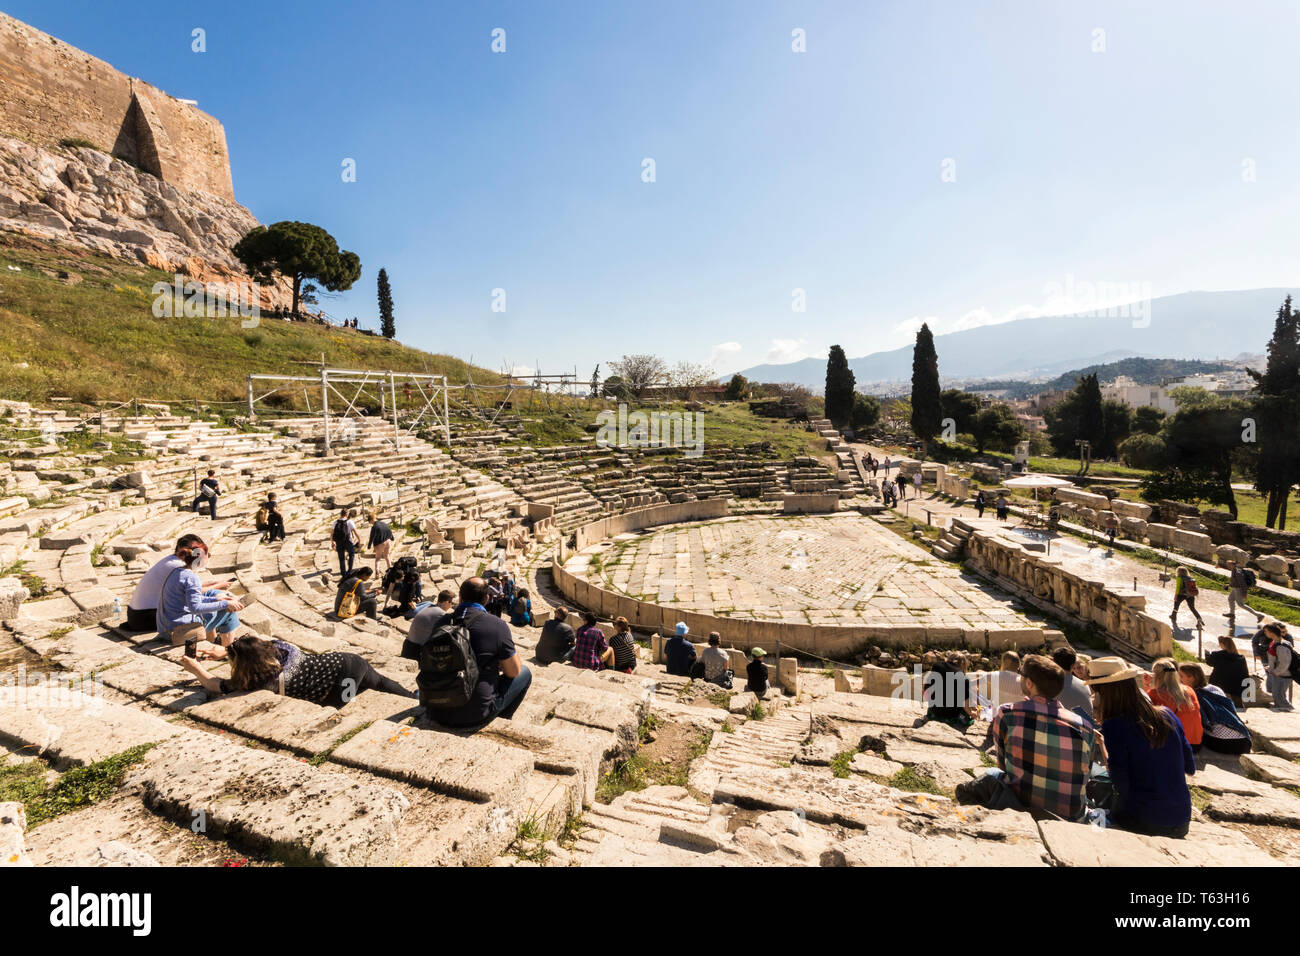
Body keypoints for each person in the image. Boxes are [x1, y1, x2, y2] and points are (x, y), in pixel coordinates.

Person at [957, 654, 1095, 820]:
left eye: (1021, 674)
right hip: (1070, 813)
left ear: (1029, 683)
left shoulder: (1008, 713)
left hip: (1019, 802)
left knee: (984, 778)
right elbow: (1085, 772)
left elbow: (1003, 766)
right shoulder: (1085, 727)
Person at [402, 577, 531, 728]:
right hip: (474, 714)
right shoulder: (497, 625)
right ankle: (501, 719)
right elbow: (513, 672)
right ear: (486, 598)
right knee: (525, 672)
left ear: (461, 597)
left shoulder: (442, 622)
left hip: (435, 709)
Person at [1088, 656, 1195, 838]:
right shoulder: (1167, 714)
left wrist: (1103, 745)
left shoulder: (1114, 726)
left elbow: (1121, 783)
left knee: (1093, 778)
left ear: (1101, 693)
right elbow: (1190, 767)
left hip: (1145, 819)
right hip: (1181, 819)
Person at [181, 635, 413, 707]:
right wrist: (225, 652)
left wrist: (196, 669)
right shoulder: (281, 647)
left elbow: (216, 685)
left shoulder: (264, 681)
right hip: (350, 661)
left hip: (343, 682)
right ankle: (413, 699)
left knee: (331, 709)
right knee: (380, 682)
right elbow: (256, 647)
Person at [124, 534, 235, 634]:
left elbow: (190, 589)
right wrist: (218, 587)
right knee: (222, 604)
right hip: (147, 617)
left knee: (214, 594)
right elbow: (193, 596)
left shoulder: (172, 561)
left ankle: (213, 637)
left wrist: (214, 584)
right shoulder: (178, 566)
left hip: (138, 615)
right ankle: (225, 645)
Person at [156, 538, 244, 658]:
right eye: (208, 555)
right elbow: (195, 607)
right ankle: (227, 654)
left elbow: (192, 600)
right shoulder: (192, 578)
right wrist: (225, 605)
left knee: (222, 602)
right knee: (229, 613)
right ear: (200, 558)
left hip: (165, 627)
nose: (209, 557)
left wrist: (218, 600)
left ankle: (216, 643)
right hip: (177, 631)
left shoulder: (176, 571)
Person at [1179, 662, 1251, 756]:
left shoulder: (1193, 695)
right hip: (1243, 740)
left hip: (1224, 743)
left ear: (1192, 677)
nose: (1178, 679)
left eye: (1181, 676)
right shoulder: (1214, 688)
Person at [1145, 657, 1203, 751]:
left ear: (1157, 676)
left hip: (1177, 745)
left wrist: (1147, 686)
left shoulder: (1155, 694)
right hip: (1195, 743)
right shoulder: (1189, 690)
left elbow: (1147, 714)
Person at [923, 652, 975, 729]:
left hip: (934, 710)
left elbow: (926, 688)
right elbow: (965, 706)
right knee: (966, 715)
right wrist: (972, 713)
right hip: (951, 714)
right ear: (964, 665)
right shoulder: (964, 678)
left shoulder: (937, 666)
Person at [1051, 646, 1094, 720]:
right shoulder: (1084, 685)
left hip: (1068, 728)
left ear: (1054, 663)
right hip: (1087, 727)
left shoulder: (1051, 686)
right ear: (1073, 665)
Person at [1206, 636, 1250, 708]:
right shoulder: (1240, 658)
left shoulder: (1217, 655)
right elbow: (1244, 672)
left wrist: (1207, 655)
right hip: (1236, 684)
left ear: (1222, 644)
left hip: (1219, 682)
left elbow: (1210, 662)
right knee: (1238, 703)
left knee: (1217, 702)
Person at [1266, 622, 1295, 711]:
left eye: (1266, 631)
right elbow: (1274, 660)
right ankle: (1279, 708)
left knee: (1280, 698)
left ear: (1272, 633)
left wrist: (1275, 672)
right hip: (1277, 674)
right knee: (1277, 695)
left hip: (1283, 675)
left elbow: (1284, 663)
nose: (1265, 633)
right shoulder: (1274, 643)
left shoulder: (1281, 646)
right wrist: (1270, 668)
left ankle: (1288, 712)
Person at [1226, 561, 1264, 626]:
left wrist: (1245, 593)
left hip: (1239, 589)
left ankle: (1259, 615)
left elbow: (1243, 584)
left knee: (1241, 604)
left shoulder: (1238, 573)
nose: (1228, 566)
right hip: (1235, 588)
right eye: (1227, 564)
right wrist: (1229, 584)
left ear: (1233, 565)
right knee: (1230, 599)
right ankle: (1232, 614)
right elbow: (1235, 581)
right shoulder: (1233, 570)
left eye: (1229, 564)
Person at [332, 509, 359, 576]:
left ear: (341, 514)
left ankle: (343, 573)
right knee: (351, 554)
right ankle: (349, 571)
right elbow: (355, 532)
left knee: (341, 558)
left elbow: (332, 534)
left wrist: (332, 542)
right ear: (347, 514)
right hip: (348, 541)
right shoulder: (350, 522)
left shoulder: (335, 522)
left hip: (339, 542)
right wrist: (359, 539)